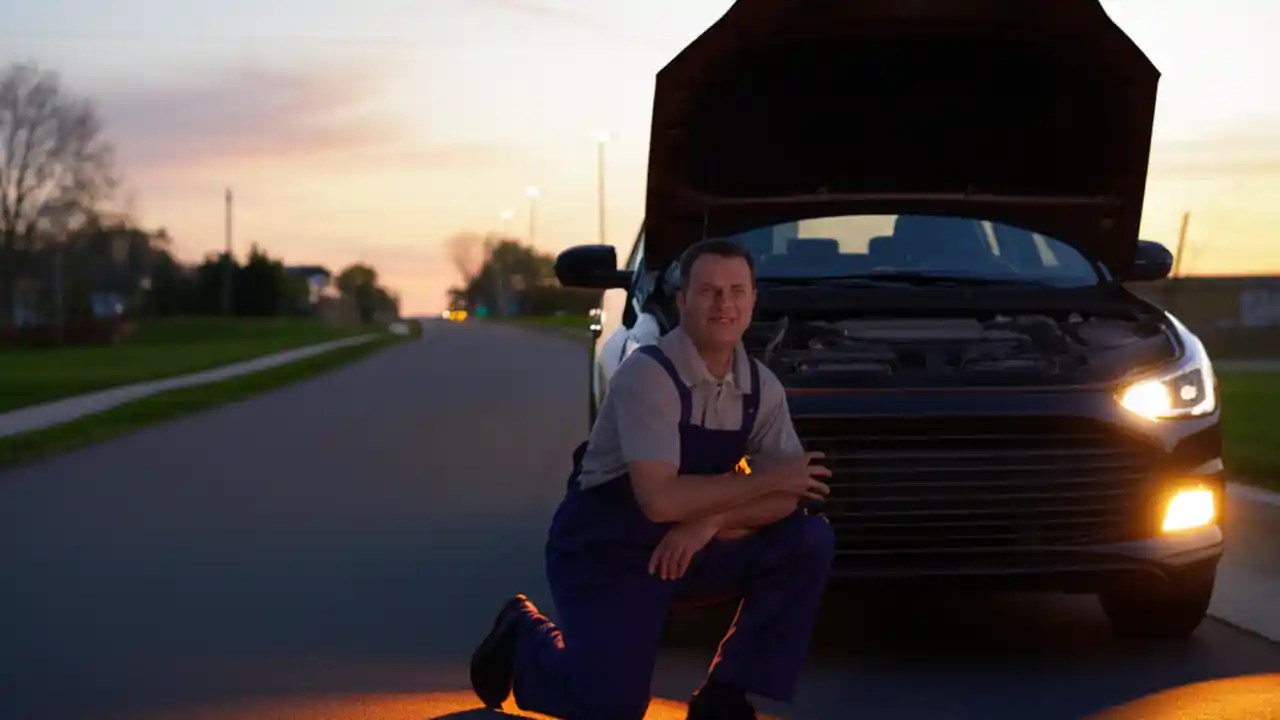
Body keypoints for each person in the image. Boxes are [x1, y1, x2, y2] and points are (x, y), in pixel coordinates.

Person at [469, 239, 836, 720]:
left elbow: (791, 495)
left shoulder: (761, 387)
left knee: (807, 537)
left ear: (752, 302)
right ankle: (522, 636)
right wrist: (773, 480)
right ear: (682, 300)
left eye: (736, 291)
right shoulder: (647, 374)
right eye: (708, 291)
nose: (724, 304)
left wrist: (710, 522)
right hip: (607, 552)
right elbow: (660, 501)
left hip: (686, 547)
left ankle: (725, 693)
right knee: (611, 706)